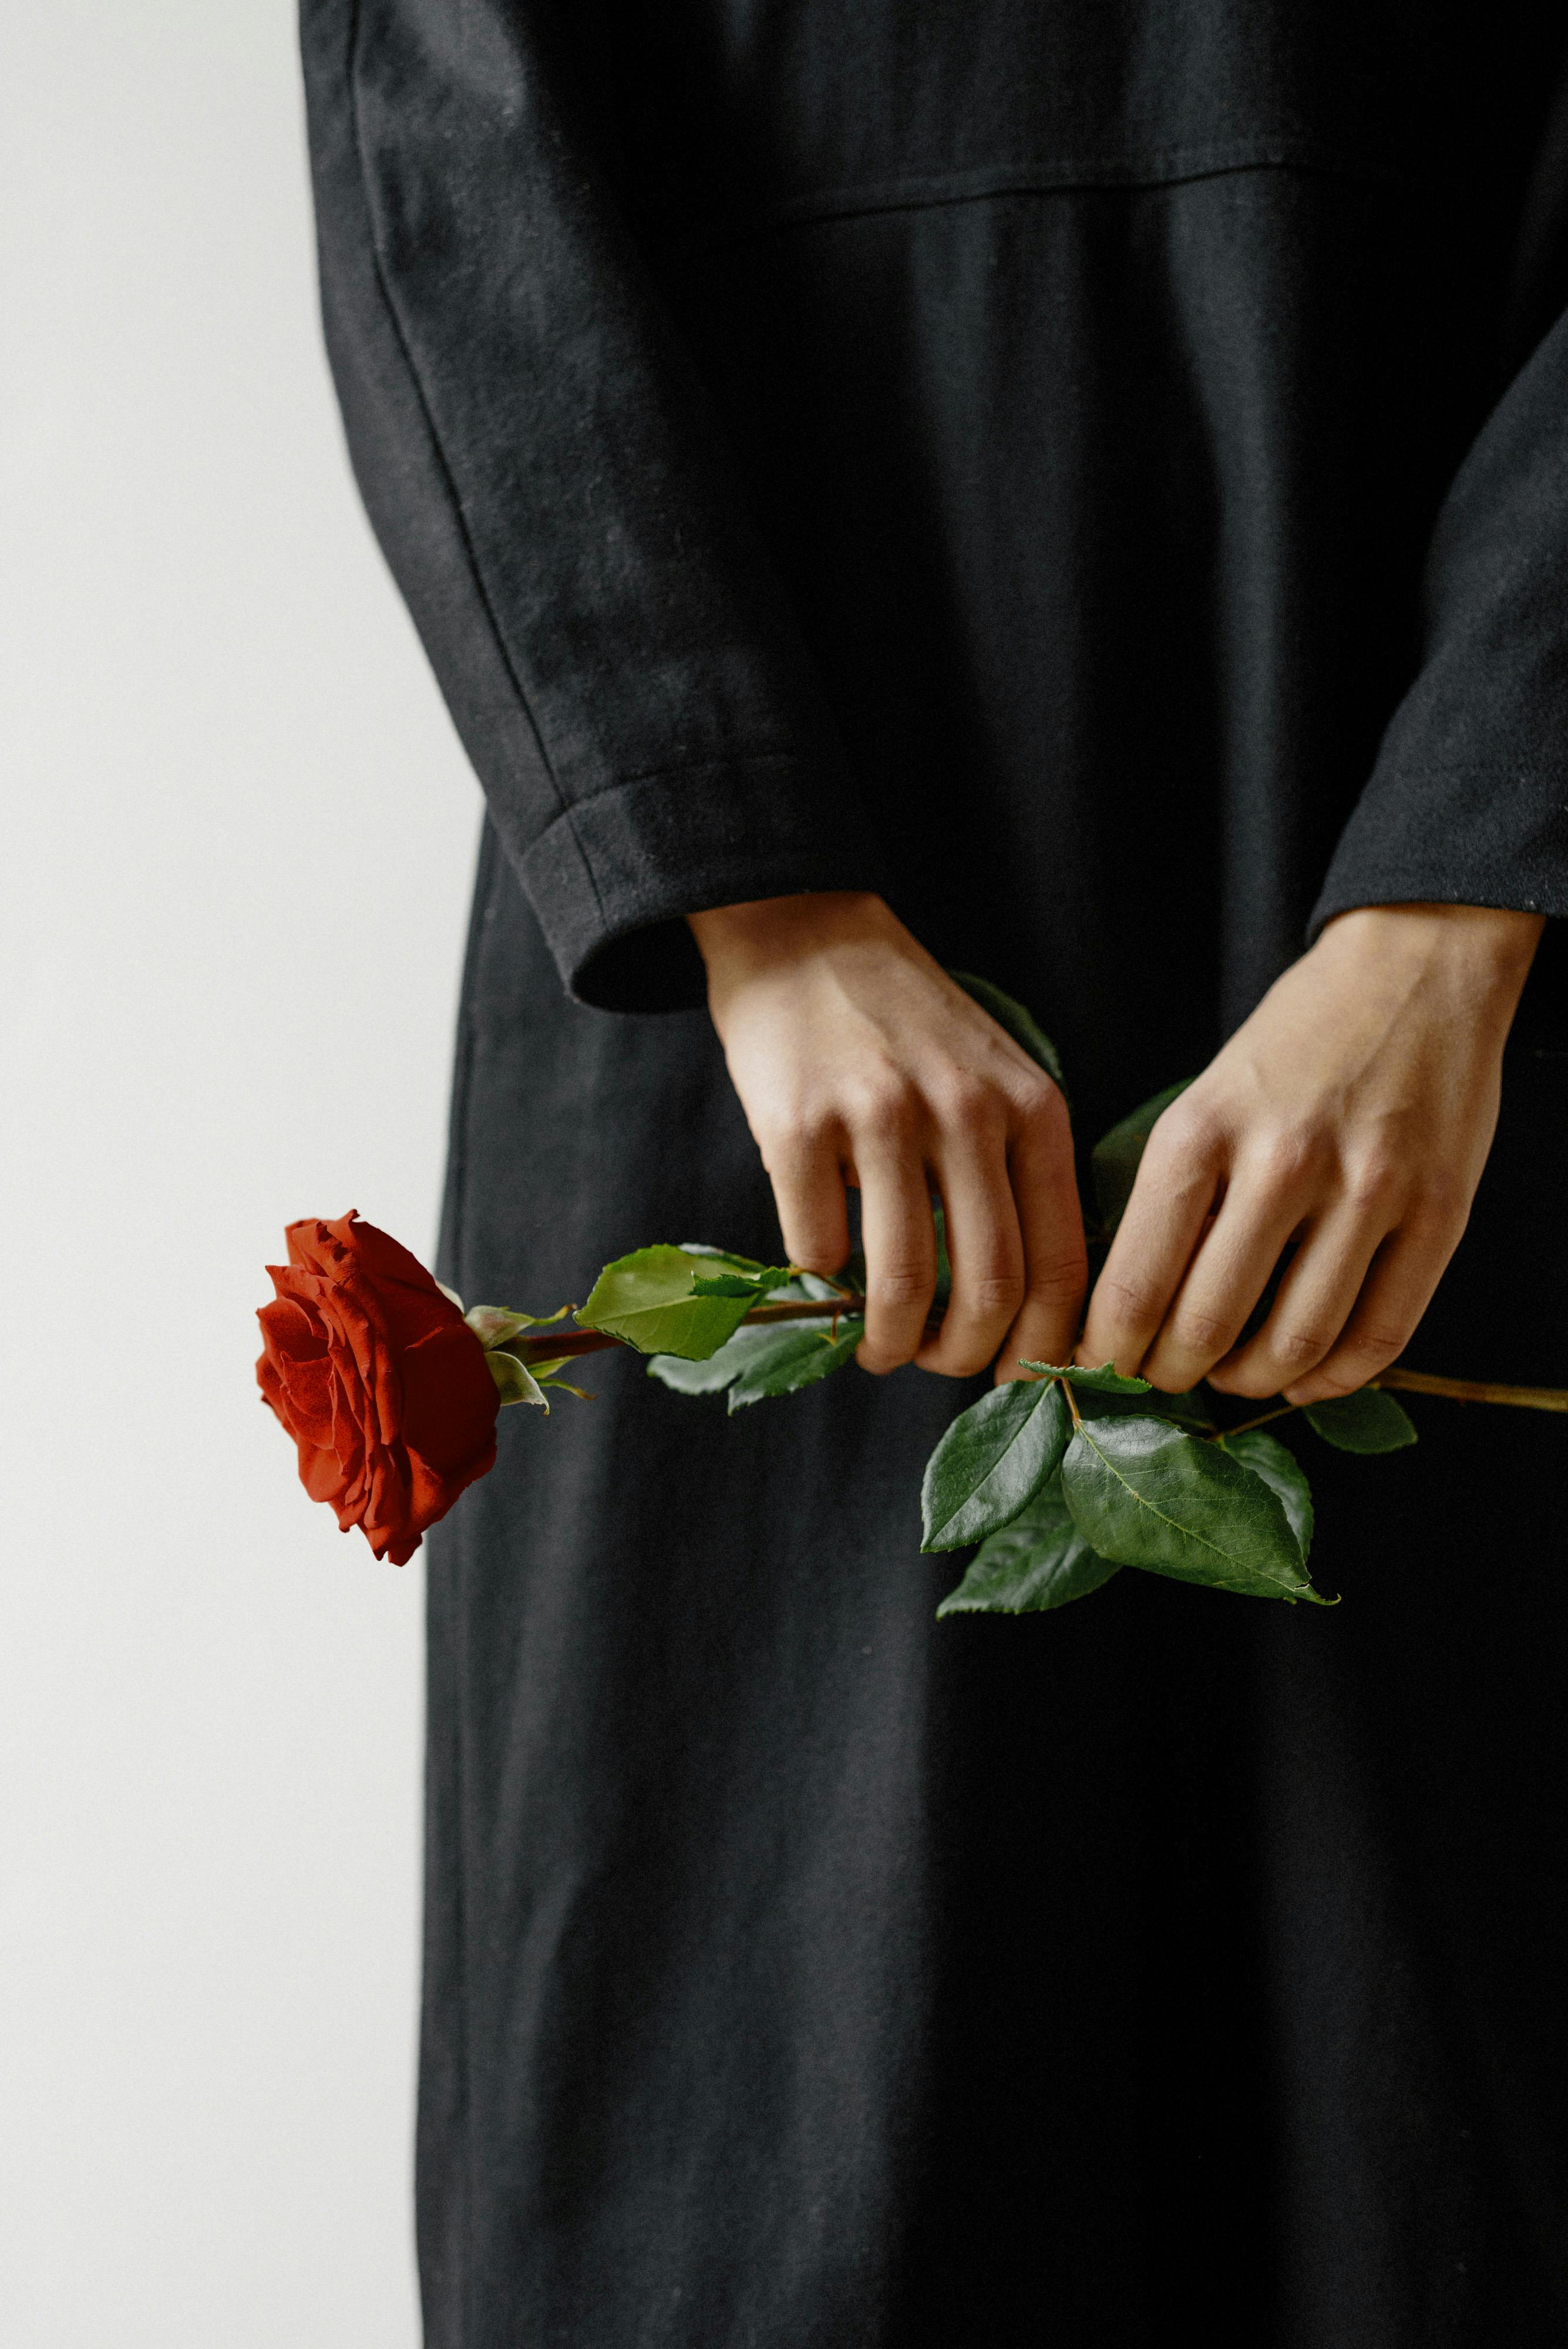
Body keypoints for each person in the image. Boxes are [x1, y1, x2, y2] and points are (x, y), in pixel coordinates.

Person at [301, 4, 1568, 2338]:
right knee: (760, 2171)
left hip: (1431, 1009)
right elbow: (435, 110)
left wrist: (1467, 880)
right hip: (759, 1017)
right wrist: (749, 892)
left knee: (1436, 2151)